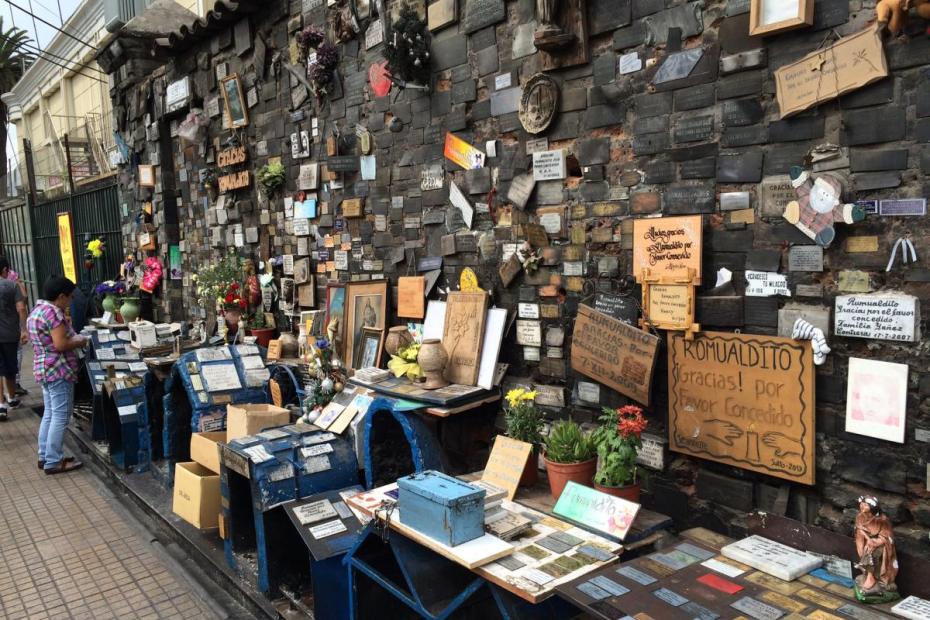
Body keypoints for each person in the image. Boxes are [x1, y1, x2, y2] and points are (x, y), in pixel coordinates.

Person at [29, 275, 88, 474]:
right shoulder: (53, 313)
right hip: (58, 370)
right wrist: (80, 341)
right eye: (70, 297)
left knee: (50, 413)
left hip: (43, 368)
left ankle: (44, 455)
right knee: (61, 416)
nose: (70, 301)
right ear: (61, 296)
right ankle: (54, 461)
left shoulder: (37, 311)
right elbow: (61, 344)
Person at [0, 256, 28, 420]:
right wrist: (24, 330)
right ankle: (10, 398)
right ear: (5, 270)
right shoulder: (12, 285)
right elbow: (21, 308)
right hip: (10, 334)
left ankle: (1, 405)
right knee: (10, 367)